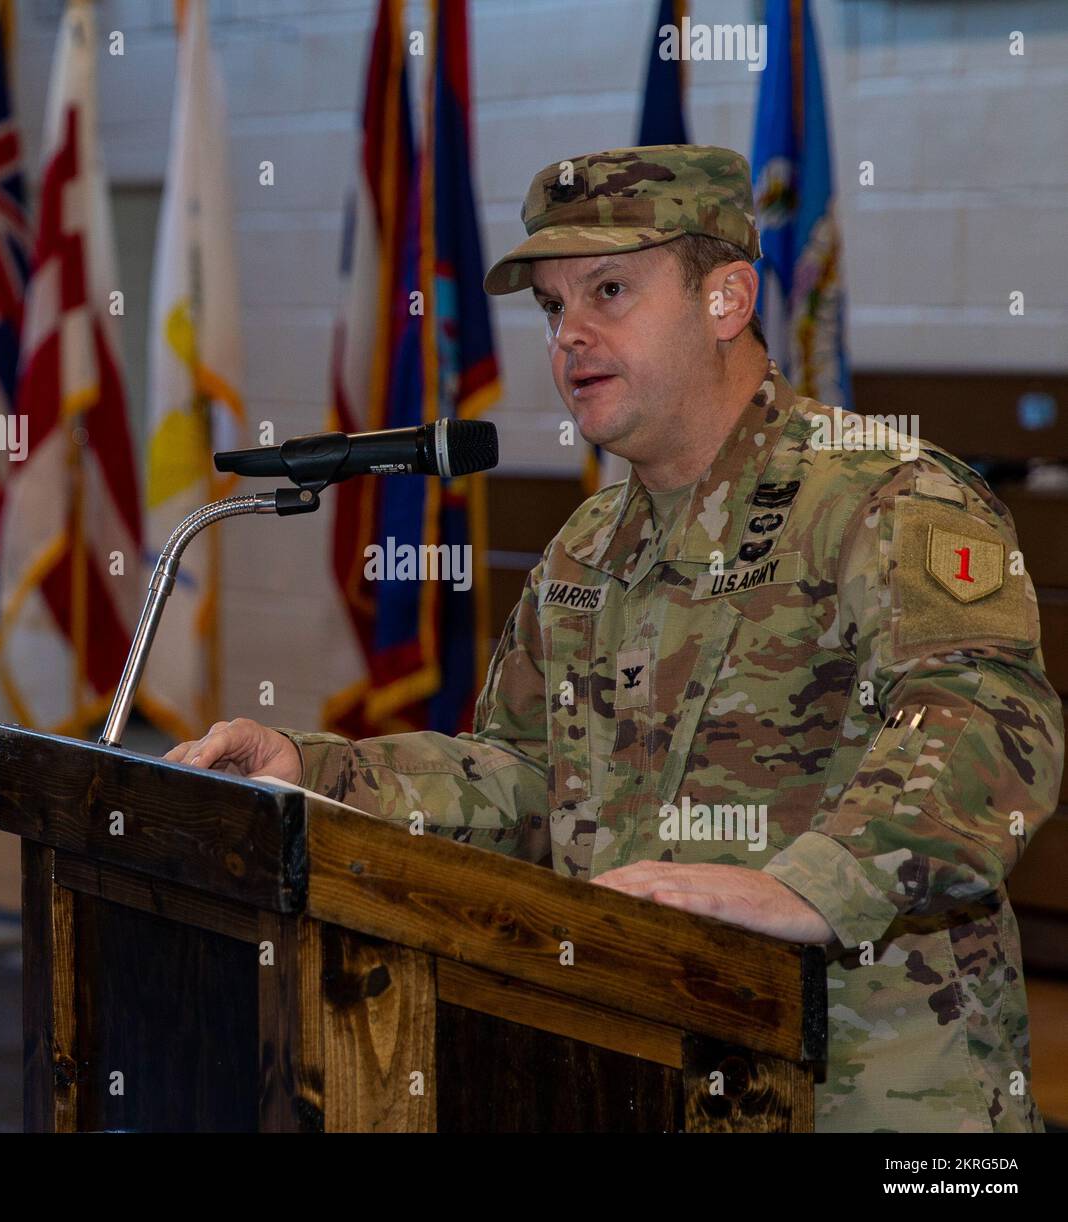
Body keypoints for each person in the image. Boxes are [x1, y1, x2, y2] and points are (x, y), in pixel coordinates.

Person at [166, 145, 1064, 1133]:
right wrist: (310, 773)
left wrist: (804, 887)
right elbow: (520, 775)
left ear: (725, 300)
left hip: (863, 1094)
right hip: (635, 1074)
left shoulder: (883, 498)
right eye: (552, 308)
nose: (569, 336)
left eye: (608, 290)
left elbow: (992, 736)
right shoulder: (587, 549)